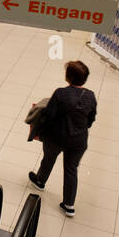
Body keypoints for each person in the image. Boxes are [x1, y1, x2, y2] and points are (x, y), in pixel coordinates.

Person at [27, 59, 96, 217]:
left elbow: (50, 115)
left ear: (68, 77)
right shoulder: (90, 96)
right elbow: (91, 119)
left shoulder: (61, 93)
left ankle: (40, 181)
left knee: (49, 158)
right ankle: (69, 205)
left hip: (57, 136)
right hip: (79, 141)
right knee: (71, 169)